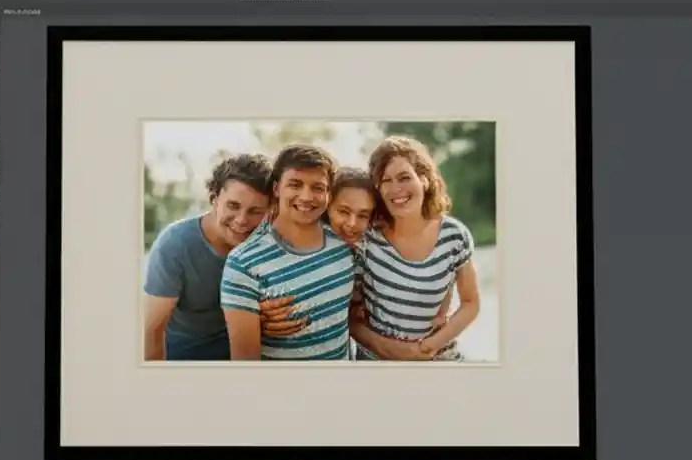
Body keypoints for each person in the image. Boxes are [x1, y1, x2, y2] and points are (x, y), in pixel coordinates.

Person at [350, 135, 480, 361]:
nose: (396, 189)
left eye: (404, 177)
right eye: (386, 180)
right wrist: (388, 348)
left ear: (425, 179)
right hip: (376, 363)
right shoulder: (367, 237)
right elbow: (350, 315)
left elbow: (470, 303)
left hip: (436, 359)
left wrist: (428, 346)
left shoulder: (454, 236)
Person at [220, 145, 355, 360]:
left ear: (329, 194)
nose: (306, 196)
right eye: (295, 184)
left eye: (318, 188)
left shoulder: (344, 246)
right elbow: (246, 363)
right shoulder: (243, 263)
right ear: (276, 189)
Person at [143, 154, 271, 360]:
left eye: (255, 211)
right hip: (185, 360)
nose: (242, 220)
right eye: (233, 206)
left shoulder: (267, 243)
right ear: (214, 200)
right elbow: (152, 330)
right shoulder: (175, 244)